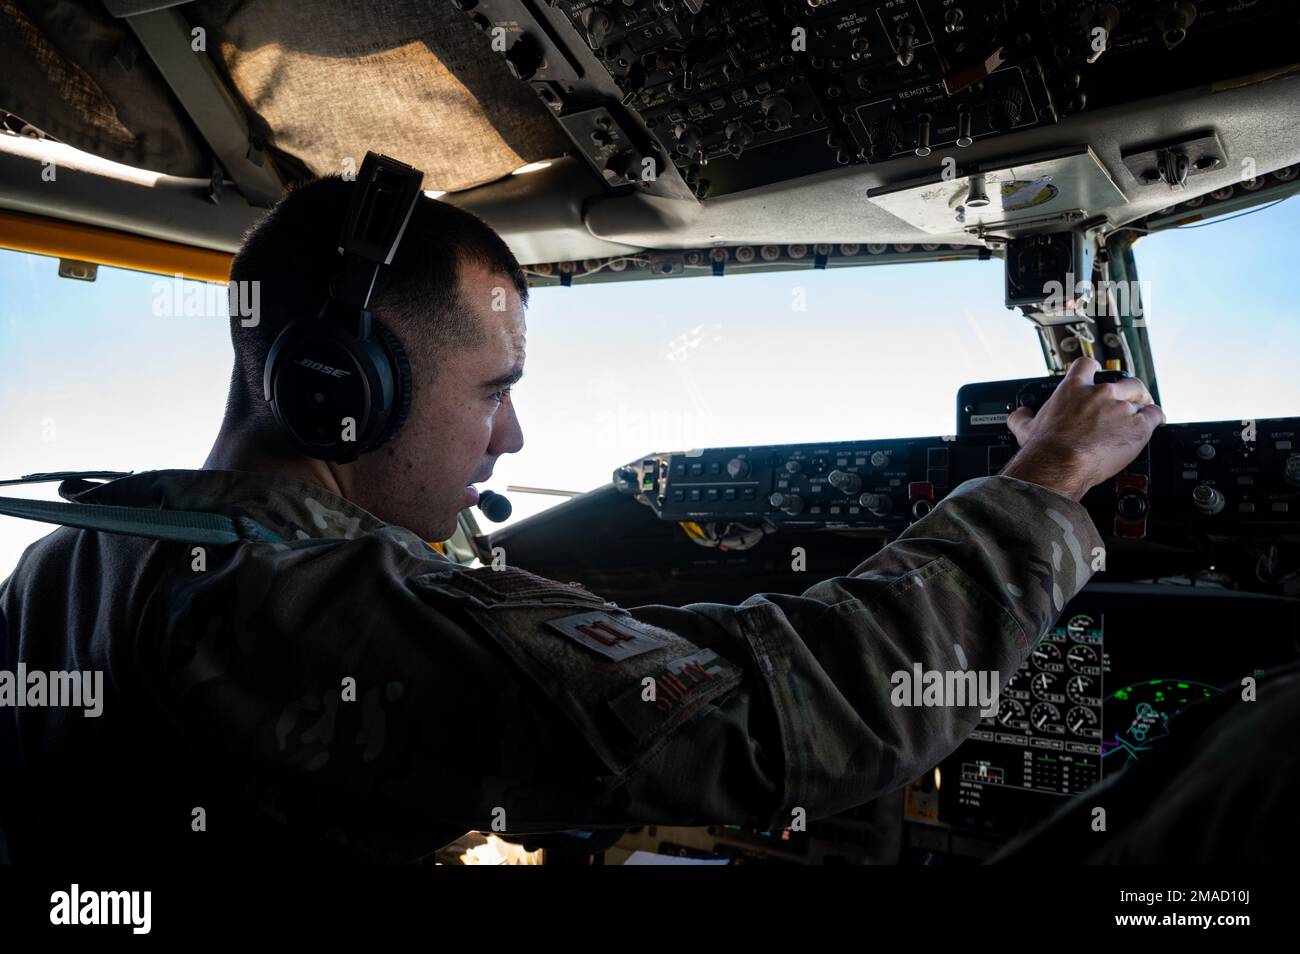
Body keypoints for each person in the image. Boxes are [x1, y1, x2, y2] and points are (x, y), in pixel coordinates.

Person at [0, 176, 1164, 863]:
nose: (509, 442)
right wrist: (1044, 486)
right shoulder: (319, 604)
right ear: (342, 389)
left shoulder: (74, 558)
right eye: (495, 391)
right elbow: (780, 733)